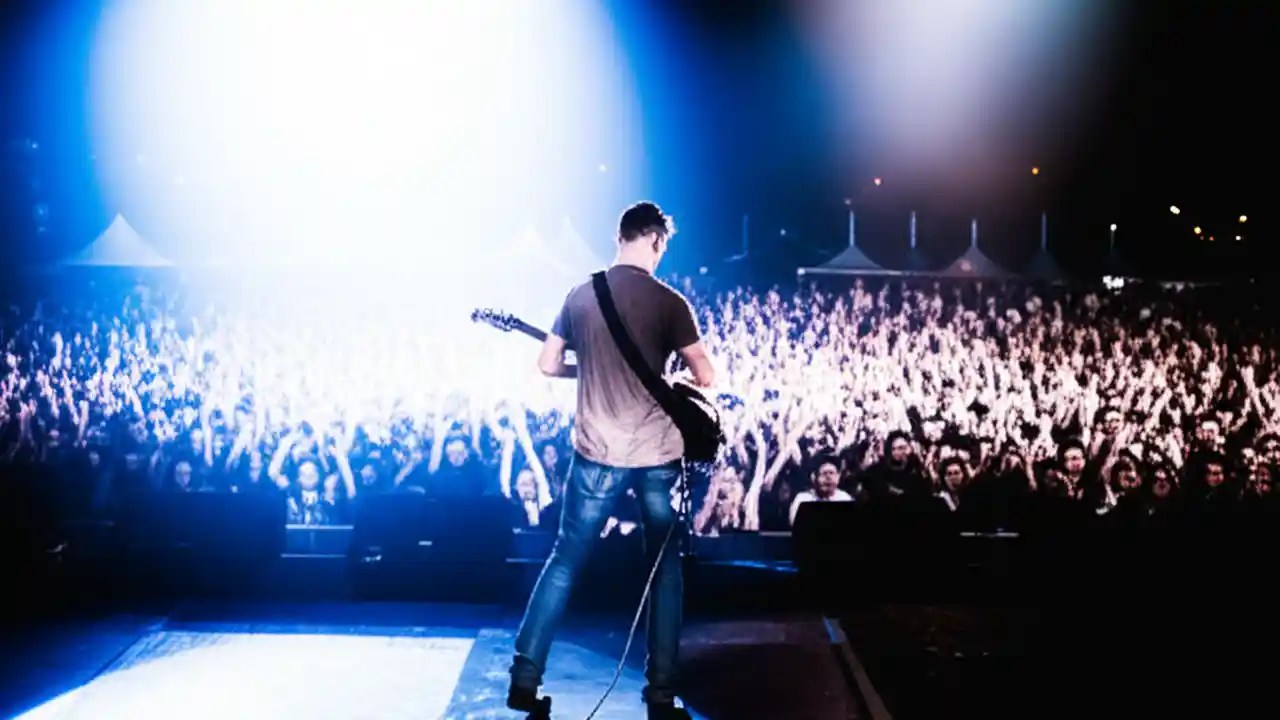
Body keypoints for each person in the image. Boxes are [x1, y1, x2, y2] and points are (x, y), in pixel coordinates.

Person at [507, 201, 716, 720]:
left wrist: (593, 369)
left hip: (596, 453)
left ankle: (524, 677)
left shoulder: (580, 295)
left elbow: (547, 364)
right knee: (664, 569)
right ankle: (661, 693)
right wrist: (666, 378)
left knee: (564, 560)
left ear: (619, 237)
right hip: (656, 455)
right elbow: (706, 377)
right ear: (656, 240)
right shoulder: (669, 302)